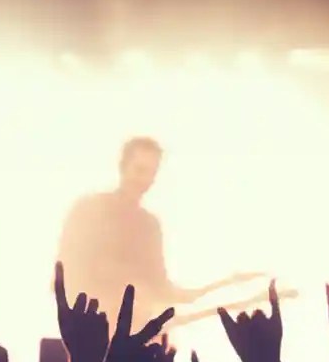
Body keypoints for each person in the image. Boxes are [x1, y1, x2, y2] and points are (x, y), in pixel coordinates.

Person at [56, 137, 256, 323]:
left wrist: (212, 289)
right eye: (140, 170)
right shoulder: (89, 210)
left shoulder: (149, 225)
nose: (145, 180)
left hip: (135, 334)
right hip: (89, 331)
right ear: (122, 167)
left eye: (152, 173)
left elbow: (159, 285)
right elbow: (68, 273)